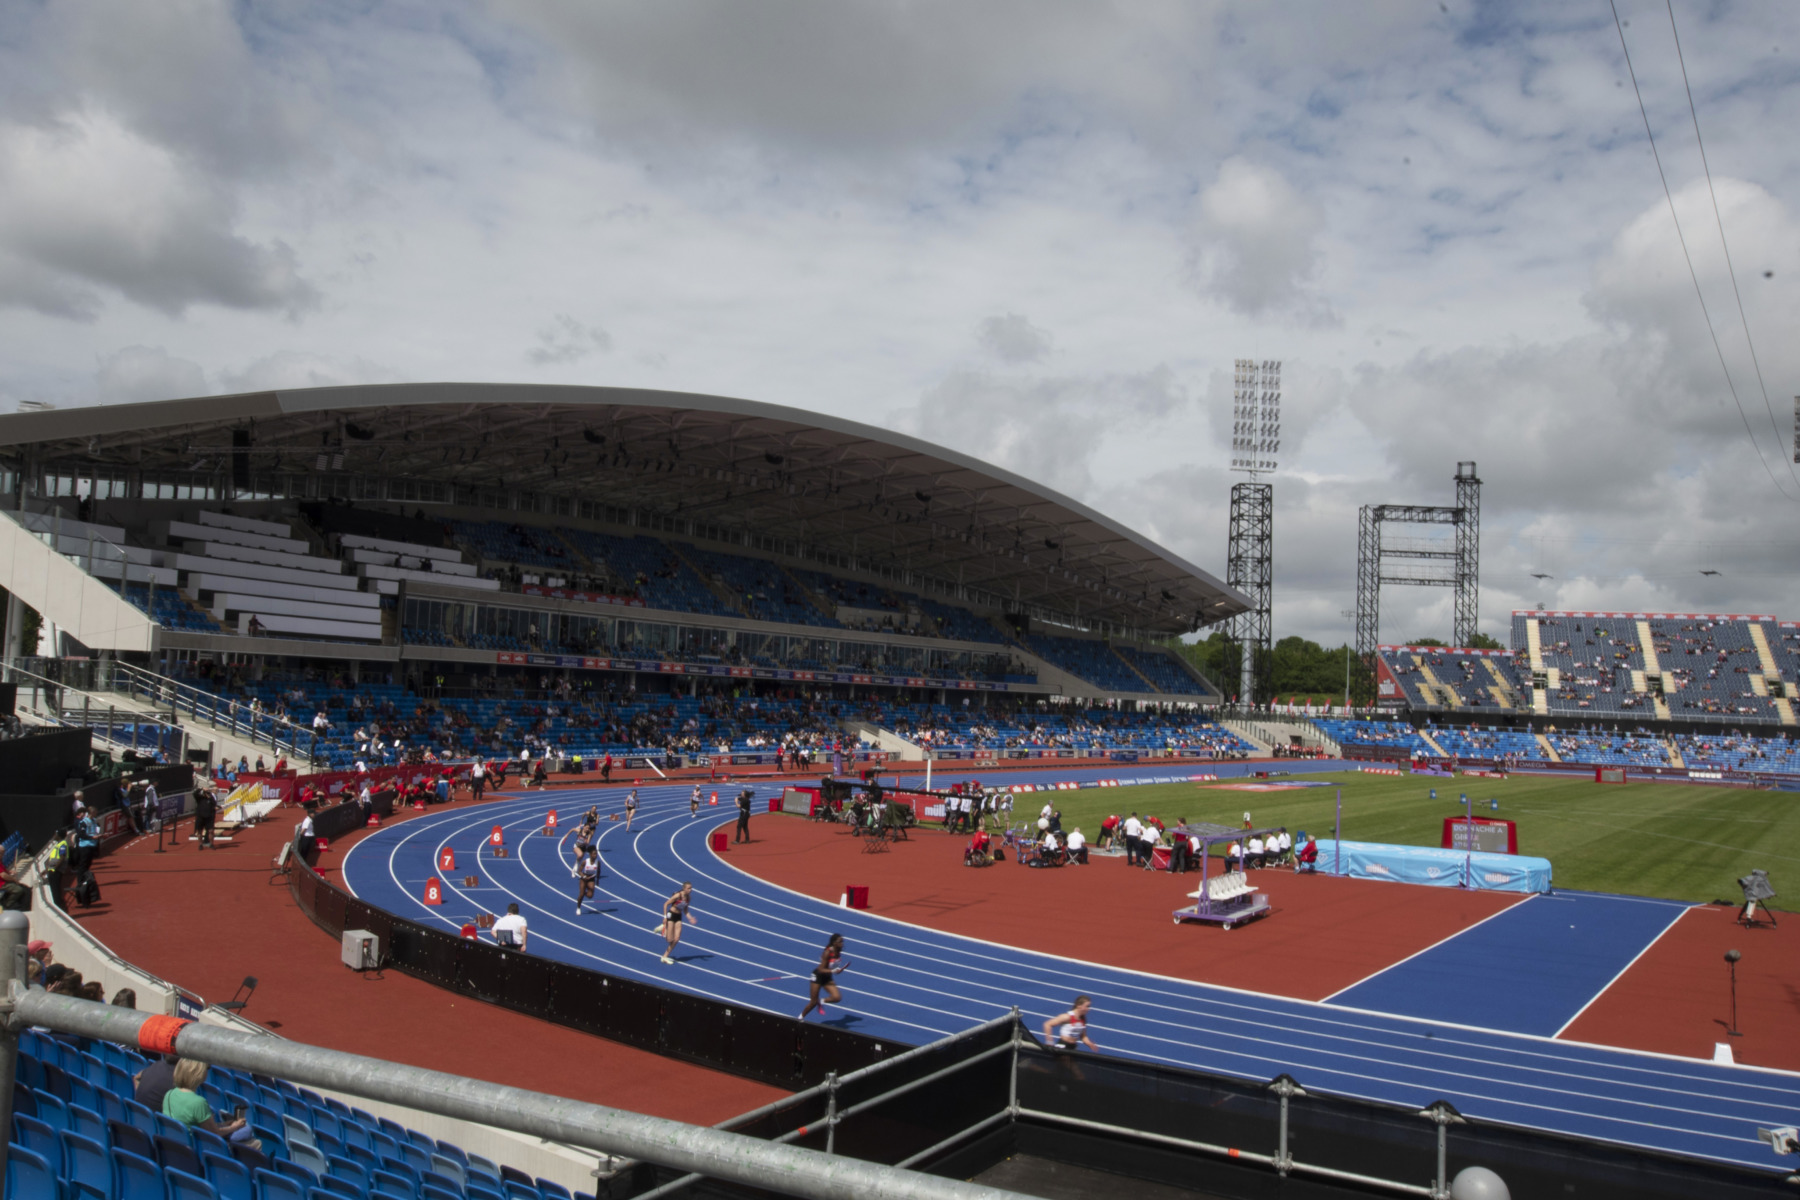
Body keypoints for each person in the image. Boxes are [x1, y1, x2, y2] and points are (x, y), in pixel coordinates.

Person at [163, 1059, 260, 1148]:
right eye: (206, 1068)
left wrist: (225, 1124)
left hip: (178, 1143)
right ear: (198, 1073)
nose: (207, 1071)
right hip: (199, 1146)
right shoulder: (198, 1102)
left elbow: (197, 1125)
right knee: (253, 1139)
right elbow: (215, 1134)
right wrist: (235, 1127)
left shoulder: (169, 1094)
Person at [799, 933, 847, 1019]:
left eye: (842, 941)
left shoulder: (838, 952)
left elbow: (833, 967)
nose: (842, 944)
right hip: (818, 976)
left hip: (827, 977)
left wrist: (838, 971)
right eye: (840, 942)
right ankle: (800, 1018)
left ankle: (821, 1001)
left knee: (837, 997)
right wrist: (833, 971)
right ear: (834, 943)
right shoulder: (828, 952)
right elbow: (821, 969)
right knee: (813, 1002)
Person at [661, 882, 696, 964]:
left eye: (691, 888)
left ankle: (664, 956)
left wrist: (690, 918)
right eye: (688, 888)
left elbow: (685, 909)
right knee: (669, 939)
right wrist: (665, 917)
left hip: (678, 917)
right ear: (684, 888)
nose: (690, 890)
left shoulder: (688, 898)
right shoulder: (678, 895)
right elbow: (665, 904)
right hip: (671, 915)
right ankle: (664, 928)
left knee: (677, 938)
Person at [573, 847, 600, 915]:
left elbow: (599, 871)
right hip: (584, 879)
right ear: (590, 854)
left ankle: (583, 894)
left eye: (596, 854)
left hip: (591, 879)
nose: (595, 855)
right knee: (581, 894)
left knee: (590, 896)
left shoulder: (598, 862)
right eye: (594, 854)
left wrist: (597, 880)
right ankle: (578, 907)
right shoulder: (585, 861)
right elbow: (579, 871)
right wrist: (584, 876)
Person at [192, 783, 218, 849]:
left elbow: (214, 804)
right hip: (200, 816)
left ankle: (211, 844)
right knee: (199, 831)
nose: (206, 793)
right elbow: (194, 793)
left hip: (209, 817)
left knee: (211, 831)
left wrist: (209, 796)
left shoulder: (211, 798)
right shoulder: (199, 798)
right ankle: (200, 844)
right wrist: (201, 789)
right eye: (205, 792)